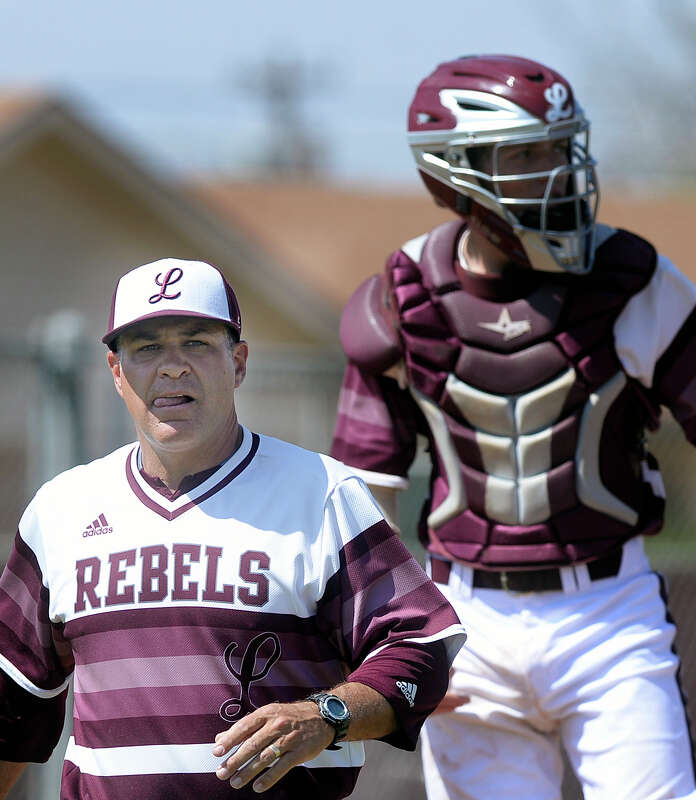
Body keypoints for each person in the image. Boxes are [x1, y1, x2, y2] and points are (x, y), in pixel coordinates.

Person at [331, 55, 696, 799]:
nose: (555, 172)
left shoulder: (628, 277)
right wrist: (392, 644)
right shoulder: (400, 297)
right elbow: (363, 500)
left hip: (608, 612)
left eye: (560, 148)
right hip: (465, 621)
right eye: (526, 154)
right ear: (451, 174)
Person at [0, 258, 465, 799]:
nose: (172, 367)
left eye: (196, 342)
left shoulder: (320, 492)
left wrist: (325, 715)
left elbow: (420, 648)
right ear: (116, 371)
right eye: (147, 347)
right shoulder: (62, 507)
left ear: (238, 362)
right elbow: (12, 703)